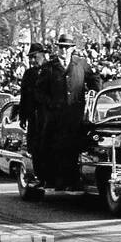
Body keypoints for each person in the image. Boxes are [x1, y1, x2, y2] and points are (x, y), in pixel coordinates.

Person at [40, 33, 100, 188]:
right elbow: (39, 91)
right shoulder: (49, 67)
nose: (64, 50)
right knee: (57, 147)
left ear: (73, 48)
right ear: (57, 48)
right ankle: (58, 180)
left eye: (67, 47)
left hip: (76, 114)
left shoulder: (81, 63)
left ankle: (74, 180)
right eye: (61, 47)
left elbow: (94, 80)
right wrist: (51, 104)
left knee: (74, 147)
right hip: (56, 116)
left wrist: (95, 92)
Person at [18, 41, 52, 184]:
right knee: (34, 147)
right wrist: (22, 116)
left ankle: (50, 177)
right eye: (30, 57)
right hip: (33, 116)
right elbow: (24, 96)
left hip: (49, 116)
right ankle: (40, 177)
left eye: (34, 56)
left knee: (48, 146)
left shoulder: (51, 70)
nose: (32, 60)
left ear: (43, 55)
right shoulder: (28, 73)